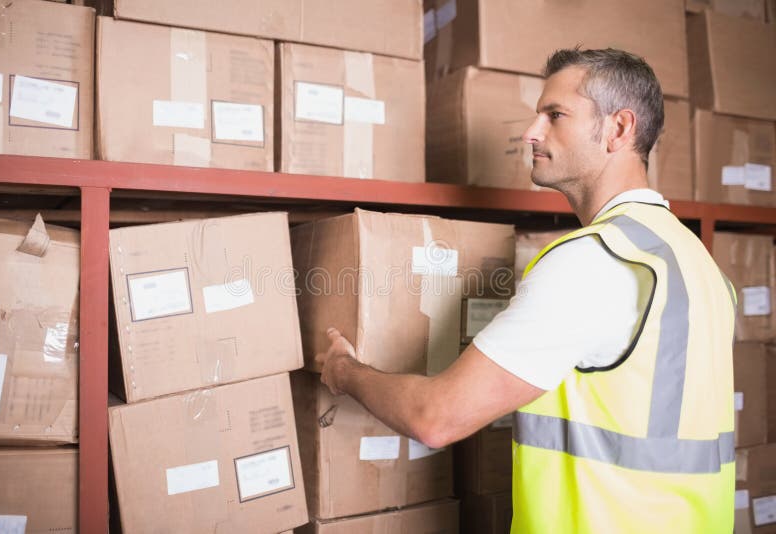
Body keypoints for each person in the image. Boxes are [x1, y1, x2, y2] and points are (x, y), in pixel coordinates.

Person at [315, 48, 736, 533]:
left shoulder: (597, 260)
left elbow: (437, 418)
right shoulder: (698, 264)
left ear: (620, 129)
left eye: (555, 115)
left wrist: (345, 371)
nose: (532, 132)